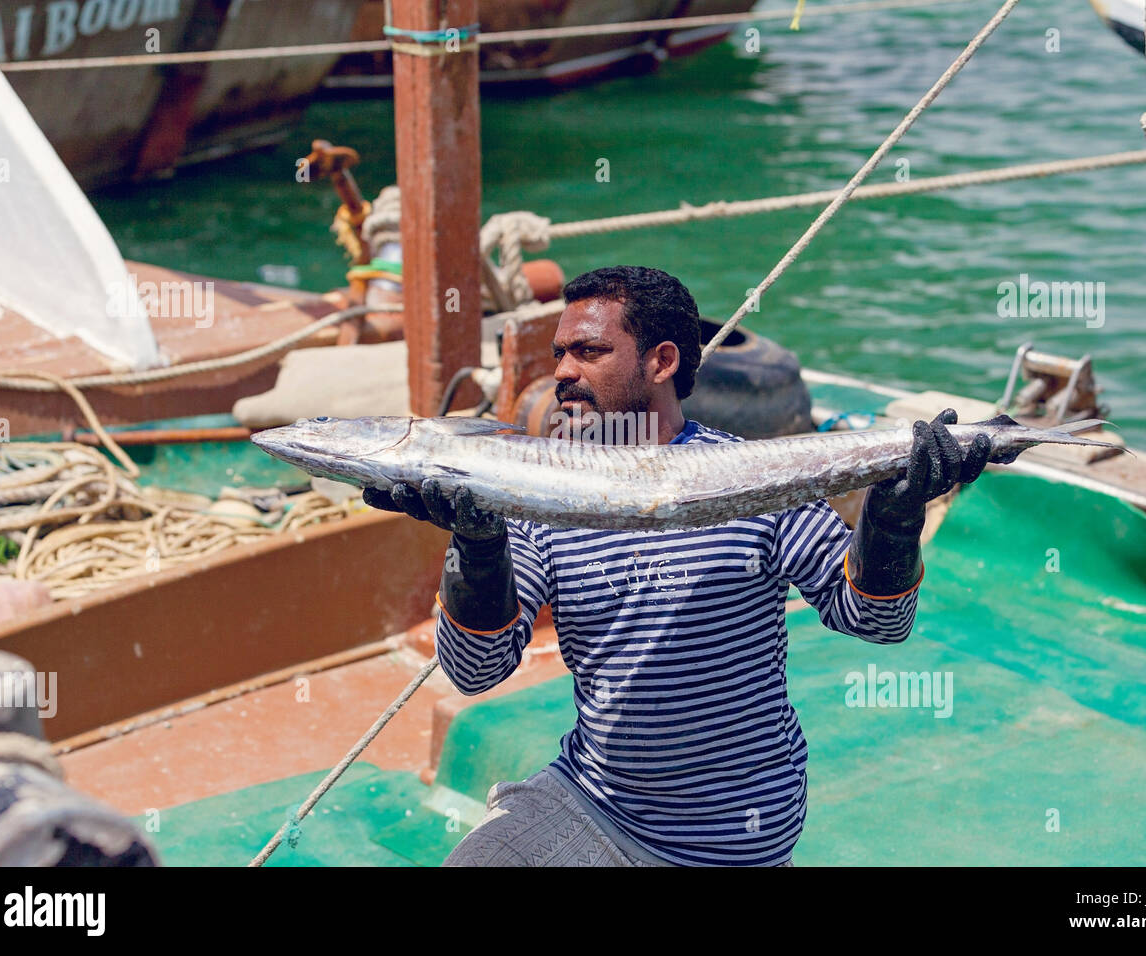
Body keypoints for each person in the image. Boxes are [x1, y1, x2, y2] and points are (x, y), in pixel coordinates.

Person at [364, 266, 990, 866]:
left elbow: (875, 620)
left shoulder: (755, 479)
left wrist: (894, 518)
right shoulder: (541, 495)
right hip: (595, 802)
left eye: (588, 352)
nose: (562, 372)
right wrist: (476, 548)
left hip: (735, 832)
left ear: (661, 361)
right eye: (560, 353)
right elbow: (476, 671)